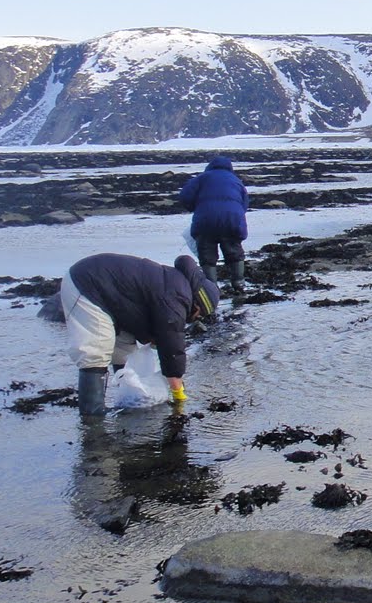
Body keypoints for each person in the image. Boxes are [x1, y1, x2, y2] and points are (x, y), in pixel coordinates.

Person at [61, 253, 218, 416]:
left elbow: (148, 318)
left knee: (124, 350)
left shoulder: (176, 284)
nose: (195, 319)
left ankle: (128, 397)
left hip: (105, 291)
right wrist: (178, 391)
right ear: (198, 304)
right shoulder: (178, 297)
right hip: (86, 285)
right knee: (96, 349)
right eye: (200, 315)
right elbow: (172, 346)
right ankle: (92, 416)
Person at [178, 155, 250, 295]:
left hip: (206, 221)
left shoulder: (202, 178)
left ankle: (212, 289)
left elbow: (184, 196)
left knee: (207, 255)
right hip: (232, 220)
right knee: (234, 252)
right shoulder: (236, 181)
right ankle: (239, 284)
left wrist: (194, 207)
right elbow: (245, 203)